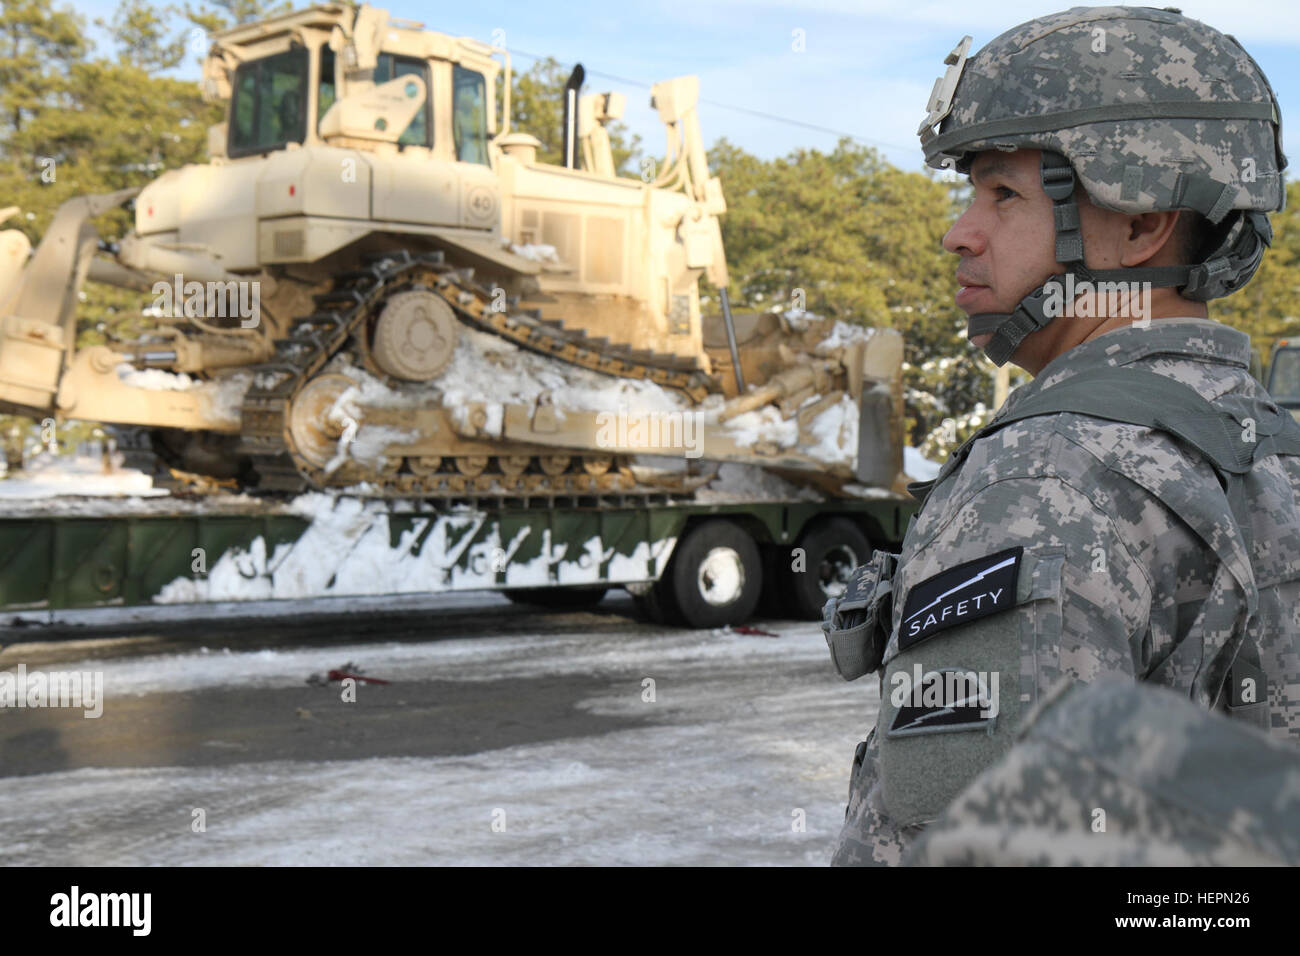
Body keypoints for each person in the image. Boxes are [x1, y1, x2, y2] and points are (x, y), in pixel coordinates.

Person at [822, 5, 1300, 867]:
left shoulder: (1044, 477)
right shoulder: (1276, 452)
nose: (960, 231)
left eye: (1003, 193)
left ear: (1141, 222)